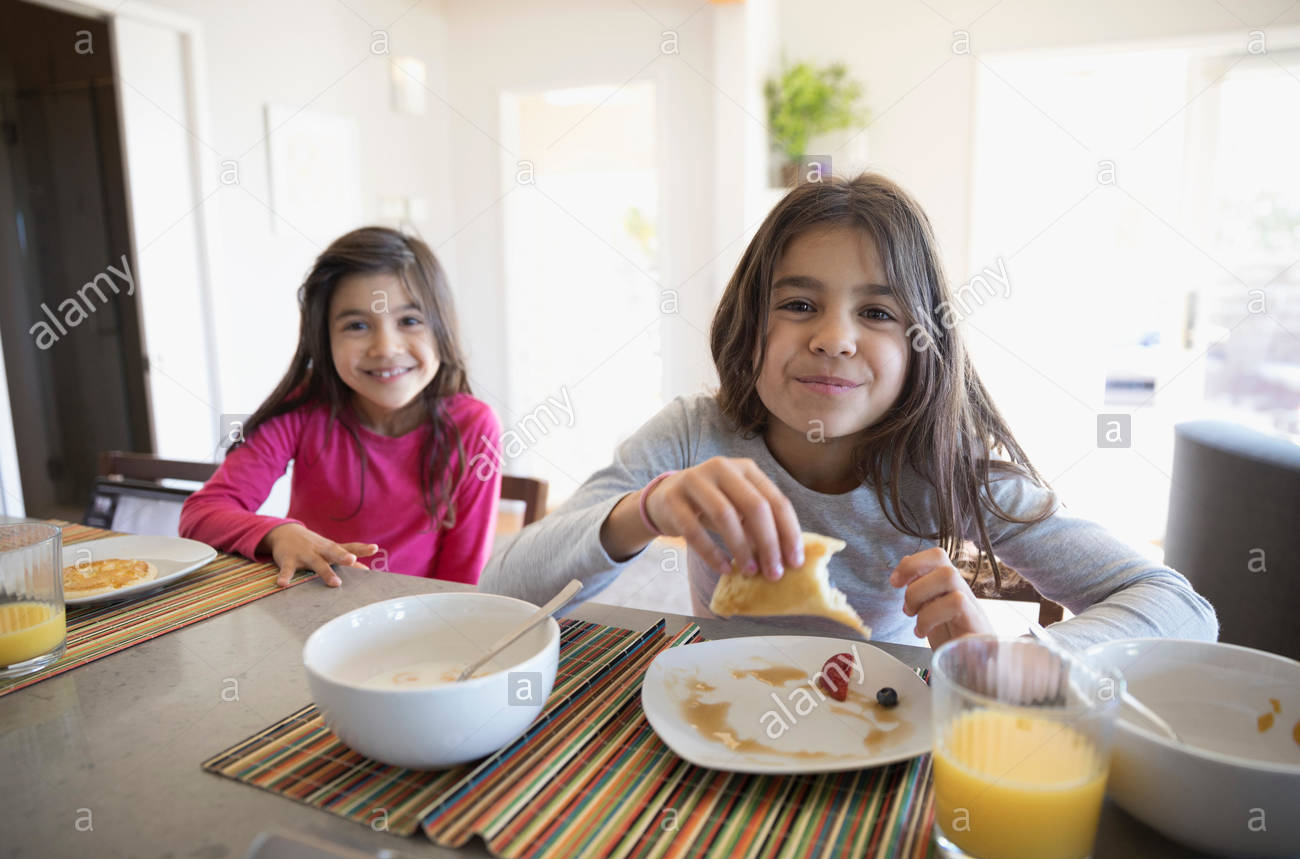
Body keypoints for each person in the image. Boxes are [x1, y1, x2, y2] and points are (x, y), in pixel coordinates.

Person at [480, 174, 1216, 649]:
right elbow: (502, 589)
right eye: (799, 304)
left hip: (878, 720)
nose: (833, 339)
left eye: (877, 312)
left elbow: (1178, 607)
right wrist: (642, 510)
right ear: (749, 325)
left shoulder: (944, 472)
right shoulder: (692, 435)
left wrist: (1021, 660)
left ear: (924, 343)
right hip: (711, 710)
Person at [180, 227, 501, 587]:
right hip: (310, 614)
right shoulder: (302, 409)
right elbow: (201, 514)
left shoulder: (473, 425)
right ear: (323, 339)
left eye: (409, 321)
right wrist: (278, 534)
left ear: (443, 328)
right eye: (358, 325)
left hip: (421, 624)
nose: (385, 348)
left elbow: (461, 580)